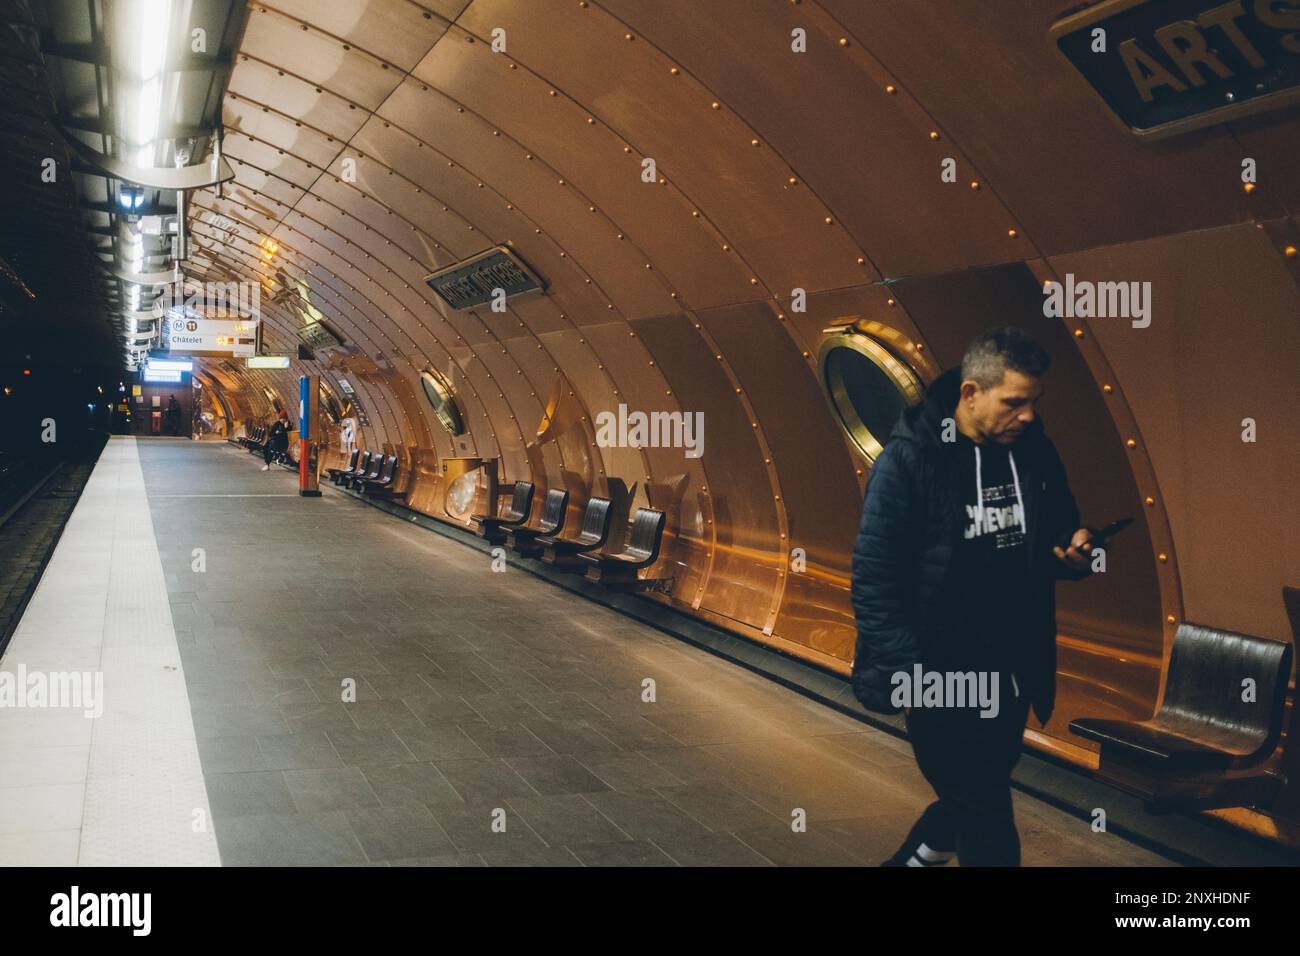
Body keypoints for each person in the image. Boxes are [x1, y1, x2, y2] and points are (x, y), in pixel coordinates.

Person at [850, 326, 1095, 867]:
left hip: (1011, 663)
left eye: (1033, 402)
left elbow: (1059, 523)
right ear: (970, 394)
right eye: (1014, 402)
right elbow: (873, 577)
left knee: (974, 791)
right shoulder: (911, 459)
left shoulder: (1033, 451)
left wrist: (1074, 550)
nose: (1027, 415)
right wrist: (912, 673)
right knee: (985, 811)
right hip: (939, 666)